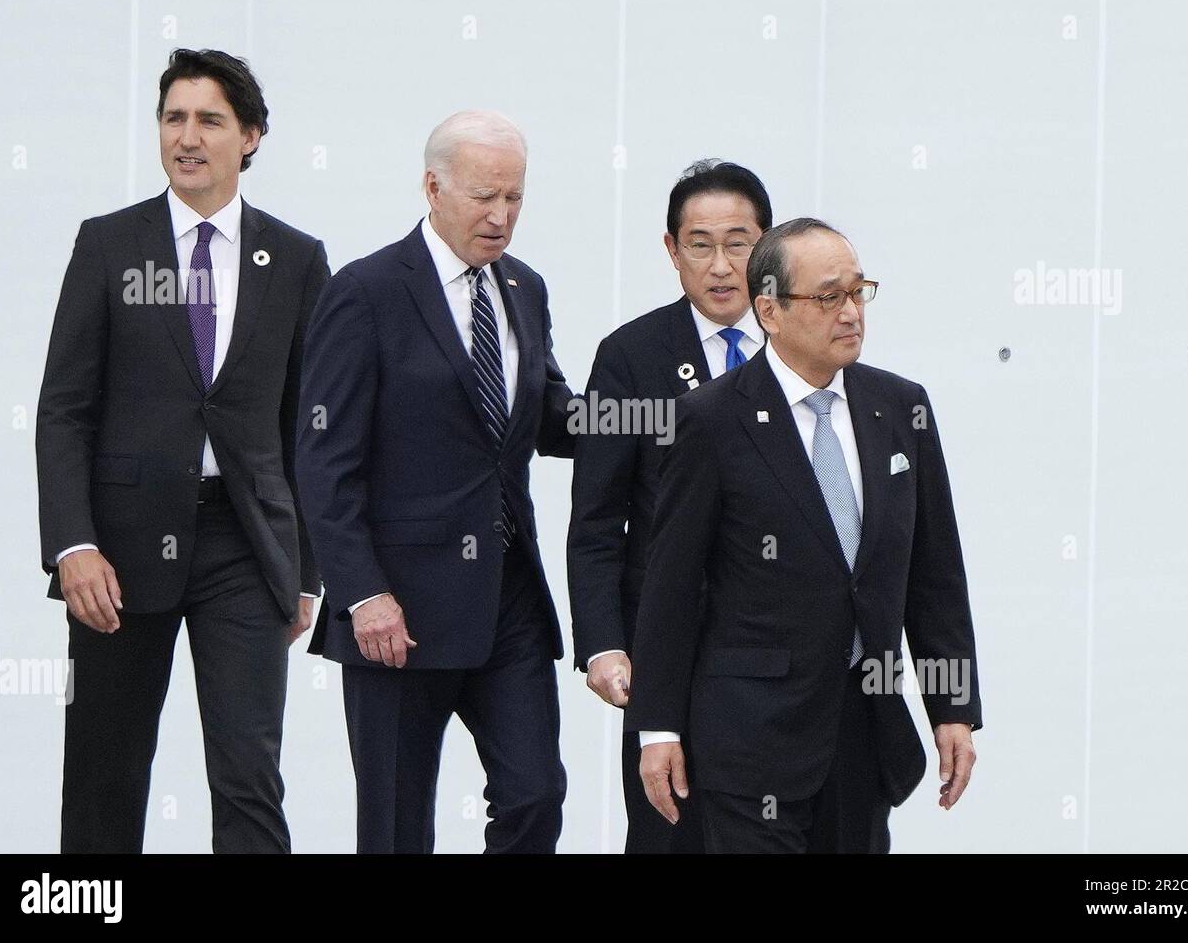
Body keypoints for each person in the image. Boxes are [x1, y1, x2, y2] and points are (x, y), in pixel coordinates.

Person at [36, 48, 328, 853]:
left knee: (248, 778)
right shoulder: (107, 244)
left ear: (253, 137)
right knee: (105, 774)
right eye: (173, 118)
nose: (187, 136)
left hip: (245, 545)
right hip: (118, 553)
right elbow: (63, 409)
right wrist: (74, 543)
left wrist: (304, 569)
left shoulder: (299, 259)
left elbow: (308, 424)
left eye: (209, 120)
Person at [625, 217, 982, 853]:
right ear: (770, 310)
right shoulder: (710, 420)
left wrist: (951, 707)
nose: (850, 313)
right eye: (827, 297)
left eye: (857, 292)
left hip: (863, 731)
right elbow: (672, 586)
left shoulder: (901, 408)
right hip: (747, 737)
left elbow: (934, 572)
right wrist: (657, 728)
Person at [296, 110, 576, 854]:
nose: (502, 216)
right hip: (398, 609)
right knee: (396, 825)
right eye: (485, 196)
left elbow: (551, 416)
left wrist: (656, 419)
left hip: (508, 593)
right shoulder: (367, 291)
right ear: (432, 186)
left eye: (515, 198)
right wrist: (362, 593)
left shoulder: (525, 287)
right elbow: (325, 461)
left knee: (537, 795)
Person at [567, 159, 771, 852]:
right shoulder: (630, 356)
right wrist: (601, 642)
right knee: (670, 834)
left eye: (738, 243)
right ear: (671, 249)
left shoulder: (803, 345)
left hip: (785, 650)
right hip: (671, 648)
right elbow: (596, 519)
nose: (720, 266)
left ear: (767, 247)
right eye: (700, 244)